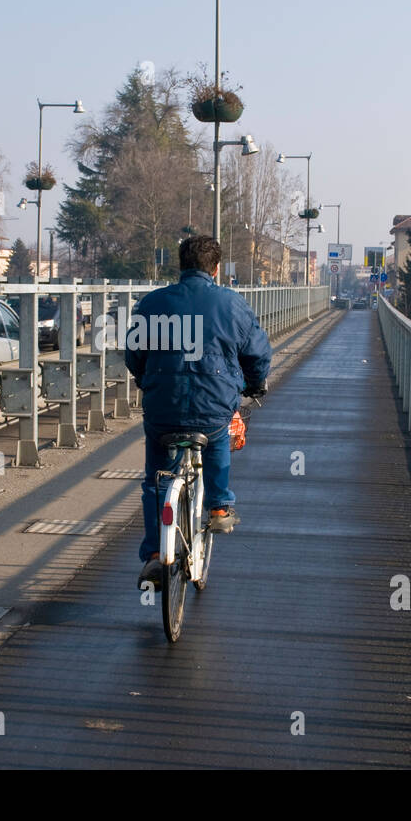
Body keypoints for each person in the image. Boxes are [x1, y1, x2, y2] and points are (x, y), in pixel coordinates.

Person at [125, 236, 271, 589]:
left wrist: (147, 379)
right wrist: (255, 383)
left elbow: (134, 354)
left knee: (156, 480)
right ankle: (220, 506)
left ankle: (155, 555)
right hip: (214, 404)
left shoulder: (152, 303)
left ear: (181, 266)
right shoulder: (233, 304)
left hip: (163, 407)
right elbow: (257, 353)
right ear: (216, 268)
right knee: (219, 433)